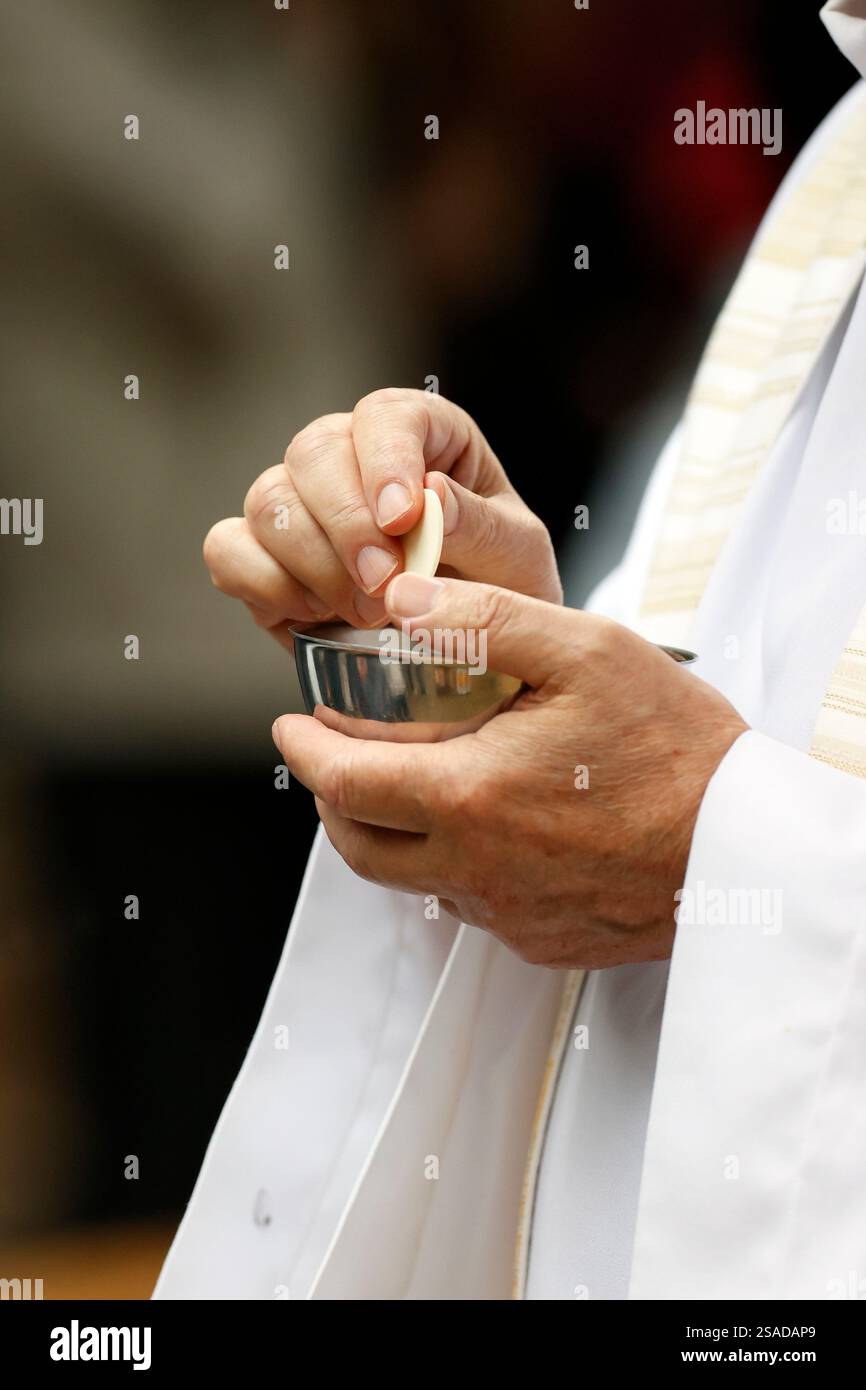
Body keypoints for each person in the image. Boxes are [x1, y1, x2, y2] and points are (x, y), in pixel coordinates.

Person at [155, 0, 866, 1299]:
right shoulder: (842, 161)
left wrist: (713, 849)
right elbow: (740, 694)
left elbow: (719, 802)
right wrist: (499, 652)